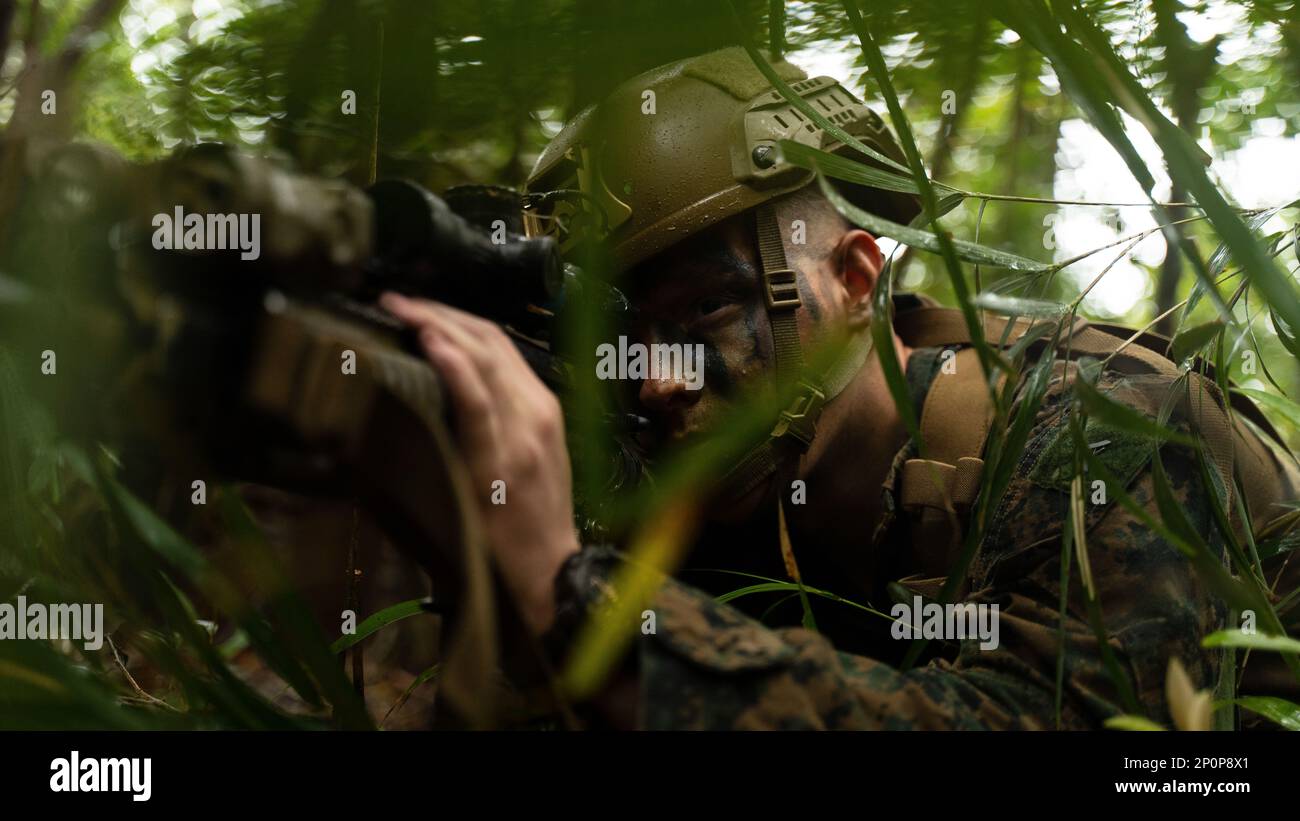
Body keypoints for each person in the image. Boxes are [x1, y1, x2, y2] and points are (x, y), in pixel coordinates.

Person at [380, 46, 1300, 729]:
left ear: (856, 278)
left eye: (704, 311)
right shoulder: (705, 480)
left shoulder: (1096, 423)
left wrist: (580, 605)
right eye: (623, 334)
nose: (655, 382)